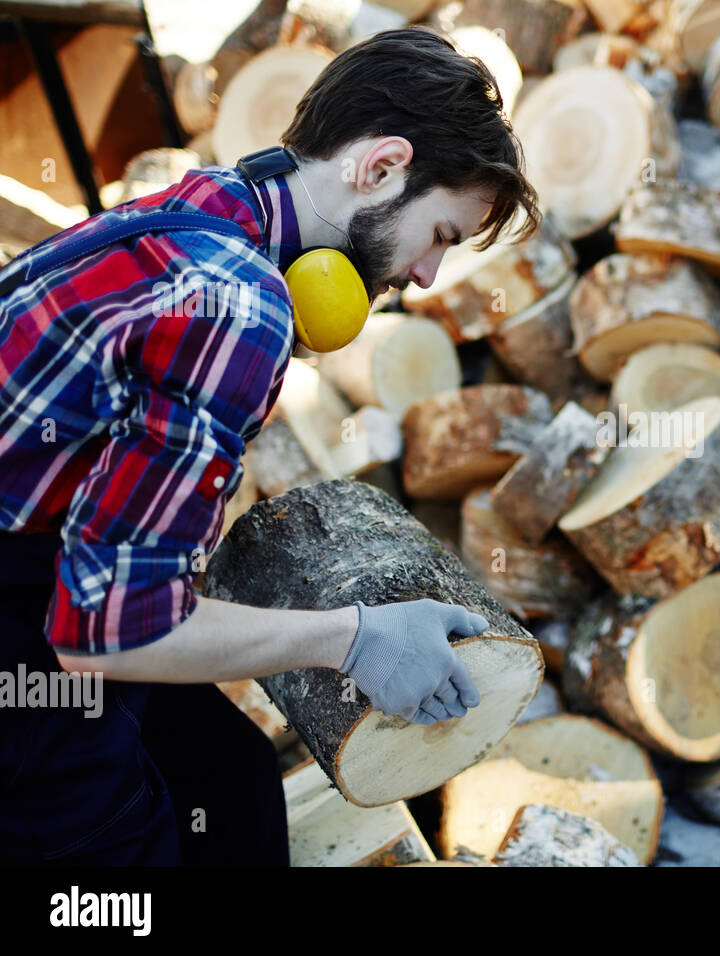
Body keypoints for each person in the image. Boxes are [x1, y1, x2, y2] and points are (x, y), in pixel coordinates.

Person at [0, 27, 542, 866]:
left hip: (46, 555)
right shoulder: (241, 306)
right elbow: (102, 632)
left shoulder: (223, 197)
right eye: (439, 234)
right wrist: (354, 638)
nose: (430, 275)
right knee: (122, 856)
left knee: (228, 777)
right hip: (32, 620)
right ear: (380, 165)